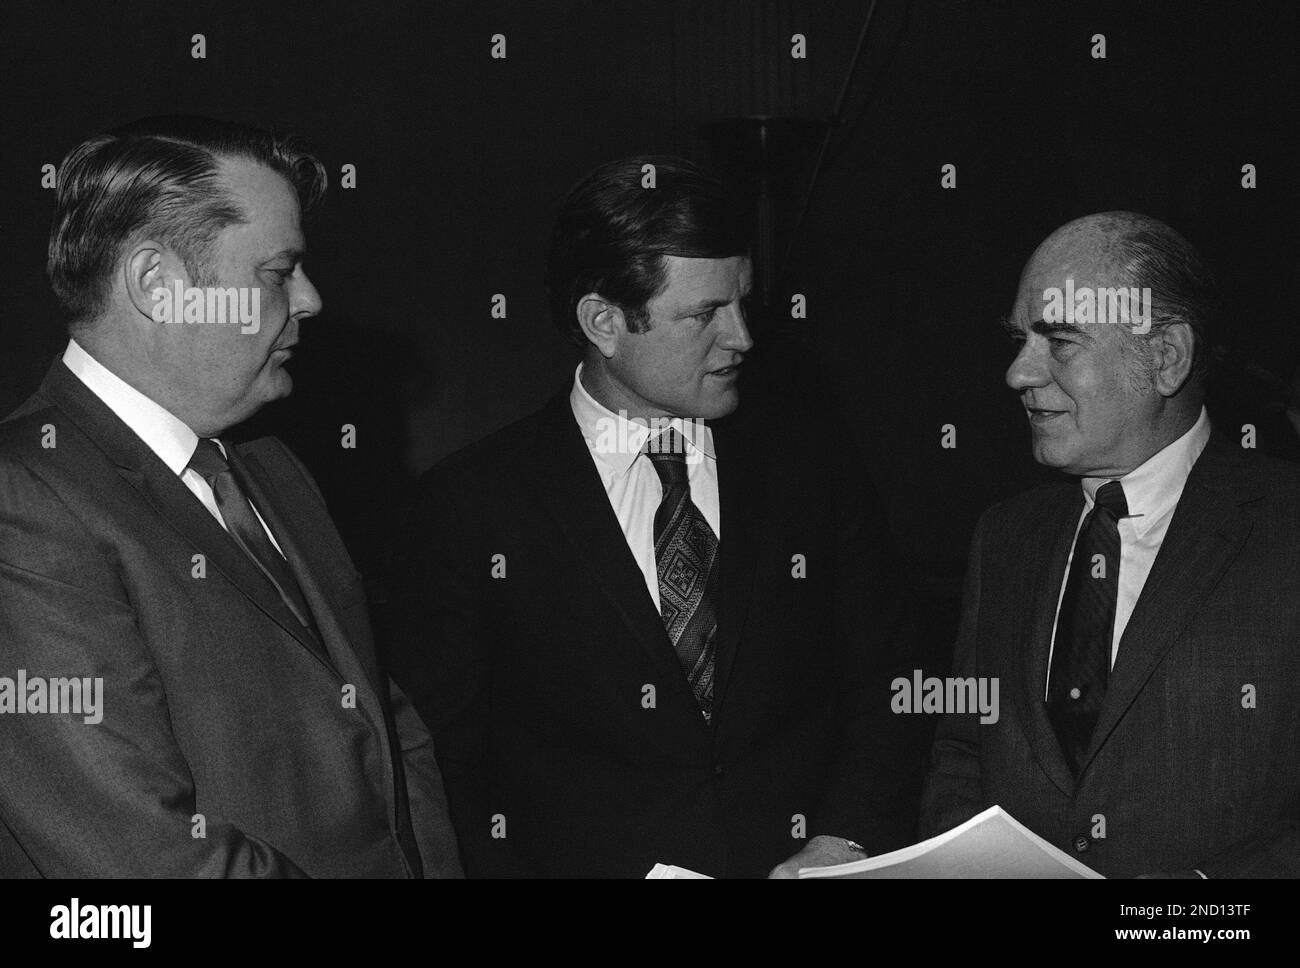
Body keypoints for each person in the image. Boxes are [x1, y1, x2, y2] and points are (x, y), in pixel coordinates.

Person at [385, 156, 919, 878]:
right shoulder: (470, 508)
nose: (742, 338)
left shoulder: (813, 469)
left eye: (741, 304)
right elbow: (445, 769)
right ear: (604, 322)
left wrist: (844, 842)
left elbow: (888, 683)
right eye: (704, 315)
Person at [0, 115, 461, 878]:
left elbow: (391, 732)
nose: (310, 299)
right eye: (278, 273)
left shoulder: (273, 468)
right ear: (158, 286)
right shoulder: (24, 498)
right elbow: (140, 855)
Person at [920, 211, 1300, 877]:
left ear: (1166, 357)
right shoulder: (1005, 538)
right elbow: (965, 754)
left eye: (1059, 341)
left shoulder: (1283, 531)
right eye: (1019, 340)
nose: (1017, 374)